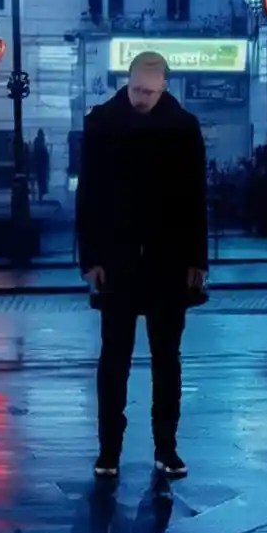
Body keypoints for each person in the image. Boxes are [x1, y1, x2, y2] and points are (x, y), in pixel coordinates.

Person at [76, 51, 208, 479]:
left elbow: (194, 199)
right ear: (128, 81)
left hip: (166, 258)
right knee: (116, 356)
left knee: (165, 356)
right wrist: (91, 259)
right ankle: (109, 450)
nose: (142, 98)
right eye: (137, 90)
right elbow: (89, 195)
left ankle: (165, 447)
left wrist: (196, 260)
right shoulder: (102, 122)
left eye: (150, 92)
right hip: (118, 259)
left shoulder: (184, 127)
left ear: (164, 86)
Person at [31, 129, 50, 201]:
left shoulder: (39, 143)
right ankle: (39, 196)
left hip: (40, 165)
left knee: (40, 182)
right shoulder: (40, 144)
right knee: (41, 181)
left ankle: (39, 196)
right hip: (40, 165)